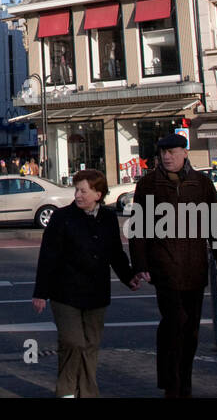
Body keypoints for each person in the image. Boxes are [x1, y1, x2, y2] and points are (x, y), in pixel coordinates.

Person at [129, 134, 217, 398]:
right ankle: (171, 384)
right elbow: (138, 229)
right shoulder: (148, 184)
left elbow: (216, 224)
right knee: (174, 322)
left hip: (195, 268)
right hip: (163, 267)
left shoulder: (201, 184)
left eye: (172, 152)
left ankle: (183, 380)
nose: (167, 157)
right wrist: (140, 264)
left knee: (191, 330)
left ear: (184, 153)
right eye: (163, 152)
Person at [32, 169, 139, 398]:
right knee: (73, 342)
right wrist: (40, 292)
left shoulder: (108, 218)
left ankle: (88, 393)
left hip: (96, 293)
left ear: (98, 194)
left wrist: (128, 277)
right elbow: (48, 256)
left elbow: (115, 253)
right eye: (76, 190)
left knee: (90, 346)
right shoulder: (62, 218)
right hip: (65, 293)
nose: (78, 195)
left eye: (83, 191)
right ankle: (67, 391)